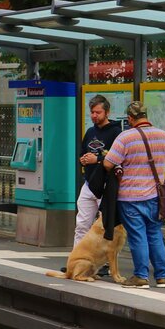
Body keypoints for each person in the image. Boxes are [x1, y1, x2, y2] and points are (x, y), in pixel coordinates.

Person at [103, 101, 165, 288]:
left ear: (130, 118)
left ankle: (141, 276)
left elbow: (108, 164)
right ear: (146, 116)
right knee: (155, 234)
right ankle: (162, 277)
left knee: (137, 236)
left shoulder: (125, 137)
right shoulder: (162, 135)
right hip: (155, 197)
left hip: (130, 198)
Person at [71, 95, 123, 273]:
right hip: (90, 182)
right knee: (82, 223)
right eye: (92, 112)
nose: (94, 115)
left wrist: (98, 159)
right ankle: (76, 258)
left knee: (107, 226)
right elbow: (83, 150)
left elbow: (118, 158)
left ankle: (105, 263)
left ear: (106, 112)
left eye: (98, 112)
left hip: (107, 186)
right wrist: (83, 159)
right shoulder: (90, 131)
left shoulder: (116, 133)